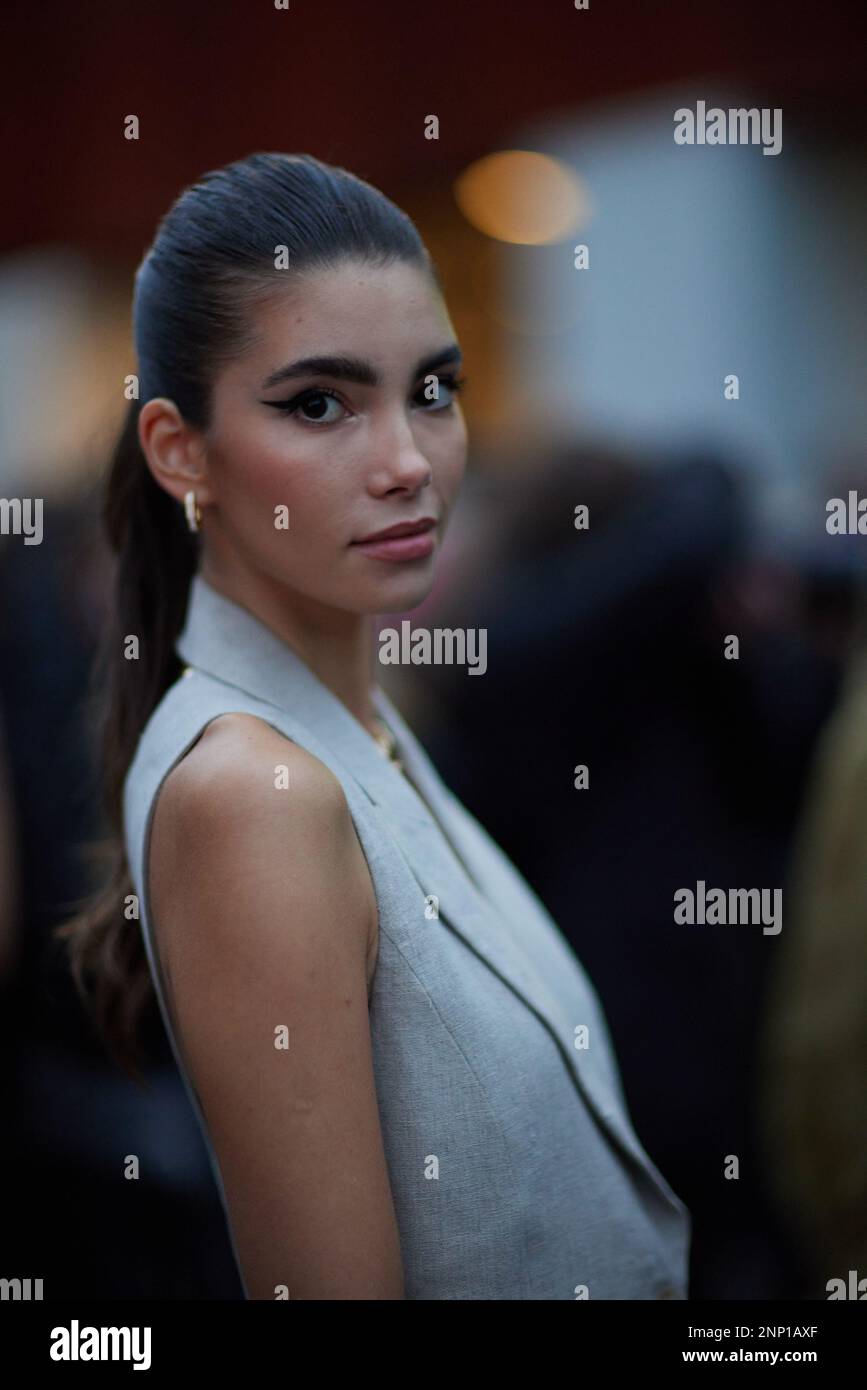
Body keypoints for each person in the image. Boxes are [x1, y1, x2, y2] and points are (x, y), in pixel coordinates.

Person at [58, 151, 691, 1301]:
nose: (409, 463)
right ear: (178, 450)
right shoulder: (253, 791)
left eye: (434, 391)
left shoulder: (356, 727)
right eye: (318, 404)